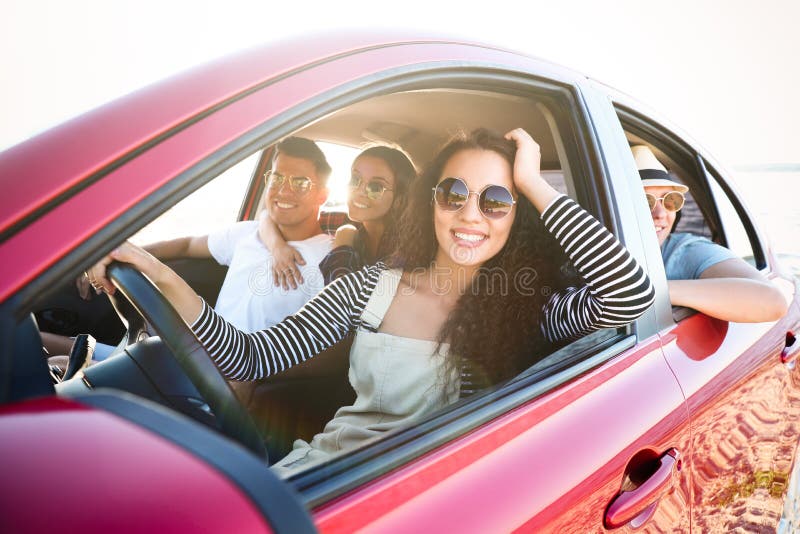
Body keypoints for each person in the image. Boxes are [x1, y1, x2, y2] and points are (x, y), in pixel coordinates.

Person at [87, 128, 656, 476]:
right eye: (454, 193)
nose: (469, 215)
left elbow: (631, 294)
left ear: (518, 213)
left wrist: (536, 184)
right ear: (432, 201)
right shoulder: (370, 284)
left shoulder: (529, 305)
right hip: (335, 484)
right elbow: (249, 359)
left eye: (497, 199)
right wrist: (155, 269)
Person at [54, 137, 334, 365]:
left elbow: (326, 348)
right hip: (190, 354)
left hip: (227, 380)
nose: (284, 191)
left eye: (300, 183)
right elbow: (187, 245)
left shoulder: (330, 259)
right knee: (45, 351)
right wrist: (117, 253)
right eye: (277, 178)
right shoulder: (248, 233)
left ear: (323, 194)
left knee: (61, 370)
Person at [632, 145, 787, 322]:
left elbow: (773, 301)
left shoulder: (684, 251)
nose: (660, 214)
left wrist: (652, 291)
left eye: (670, 200)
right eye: (644, 200)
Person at [259, 144, 416, 289]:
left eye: (376, 187)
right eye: (355, 180)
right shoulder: (344, 220)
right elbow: (269, 217)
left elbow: (340, 298)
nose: (359, 191)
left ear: (399, 197)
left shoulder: (407, 250)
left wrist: (343, 240)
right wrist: (277, 247)